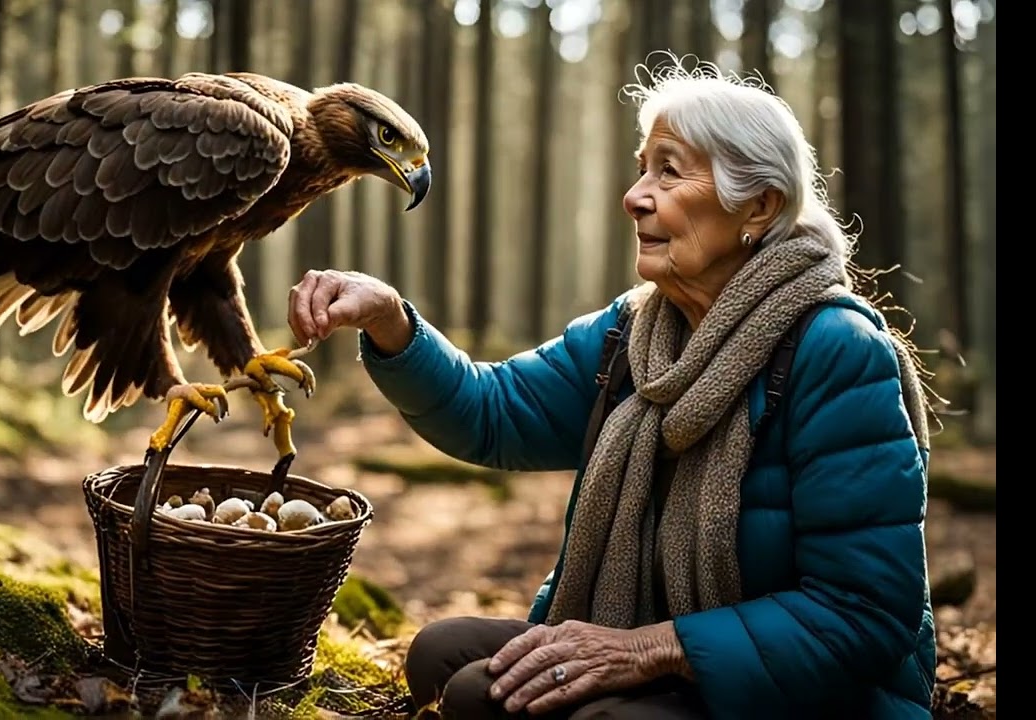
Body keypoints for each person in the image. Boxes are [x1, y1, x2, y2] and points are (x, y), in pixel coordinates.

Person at [286, 58, 936, 720]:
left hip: (812, 691)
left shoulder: (838, 350)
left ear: (759, 205)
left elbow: (864, 614)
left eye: (670, 169)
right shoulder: (635, 332)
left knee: (544, 709)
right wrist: (391, 321)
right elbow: (493, 412)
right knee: (442, 657)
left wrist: (651, 649)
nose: (635, 196)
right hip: (667, 643)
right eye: (641, 167)